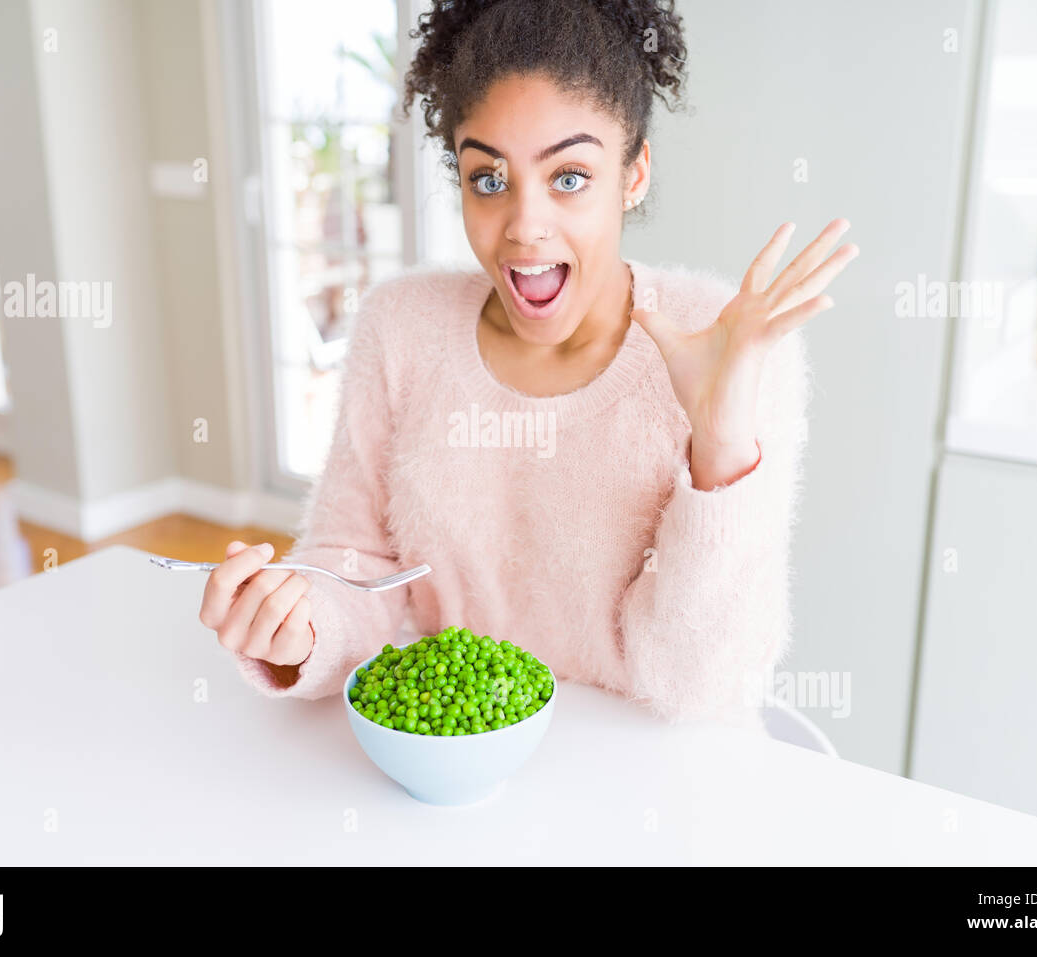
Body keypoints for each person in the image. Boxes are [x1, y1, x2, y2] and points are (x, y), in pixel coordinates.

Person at [198, 0, 858, 729]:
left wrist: (720, 444)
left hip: (649, 785)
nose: (524, 225)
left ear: (634, 172)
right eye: (488, 178)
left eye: (569, 176)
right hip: (457, 766)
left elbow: (699, 683)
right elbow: (355, 561)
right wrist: (301, 625)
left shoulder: (730, 340)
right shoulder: (401, 326)